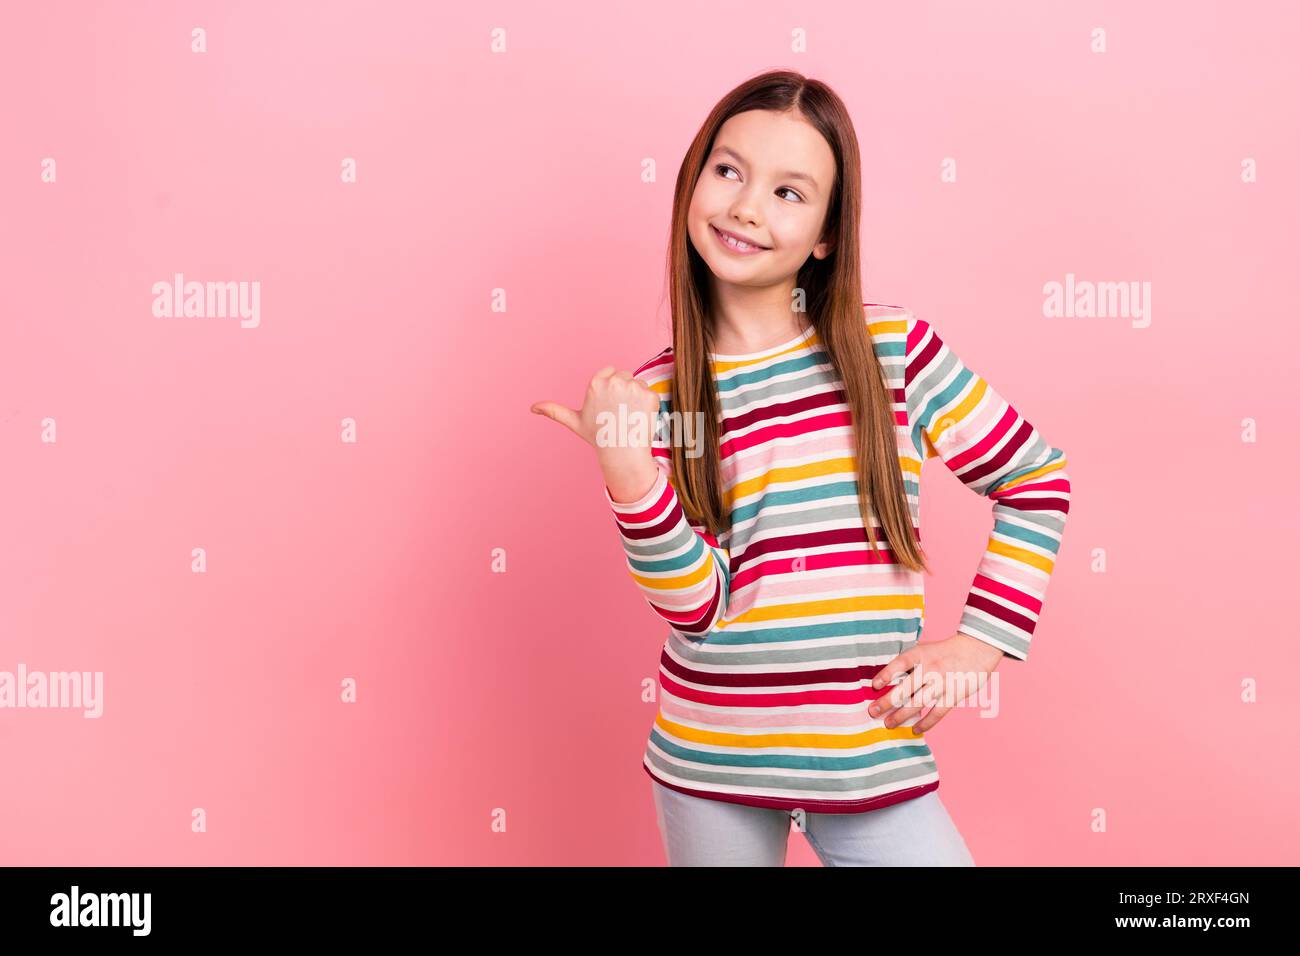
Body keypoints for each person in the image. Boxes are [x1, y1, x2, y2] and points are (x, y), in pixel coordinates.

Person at [531, 69, 1072, 866]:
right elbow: (696, 607)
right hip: (707, 769)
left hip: (870, 760)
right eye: (729, 171)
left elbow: (1036, 481)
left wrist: (981, 645)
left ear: (825, 232)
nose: (746, 206)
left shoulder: (894, 352)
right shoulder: (656, 395)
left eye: (789, 192)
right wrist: (629, 474)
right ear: (692, 183)